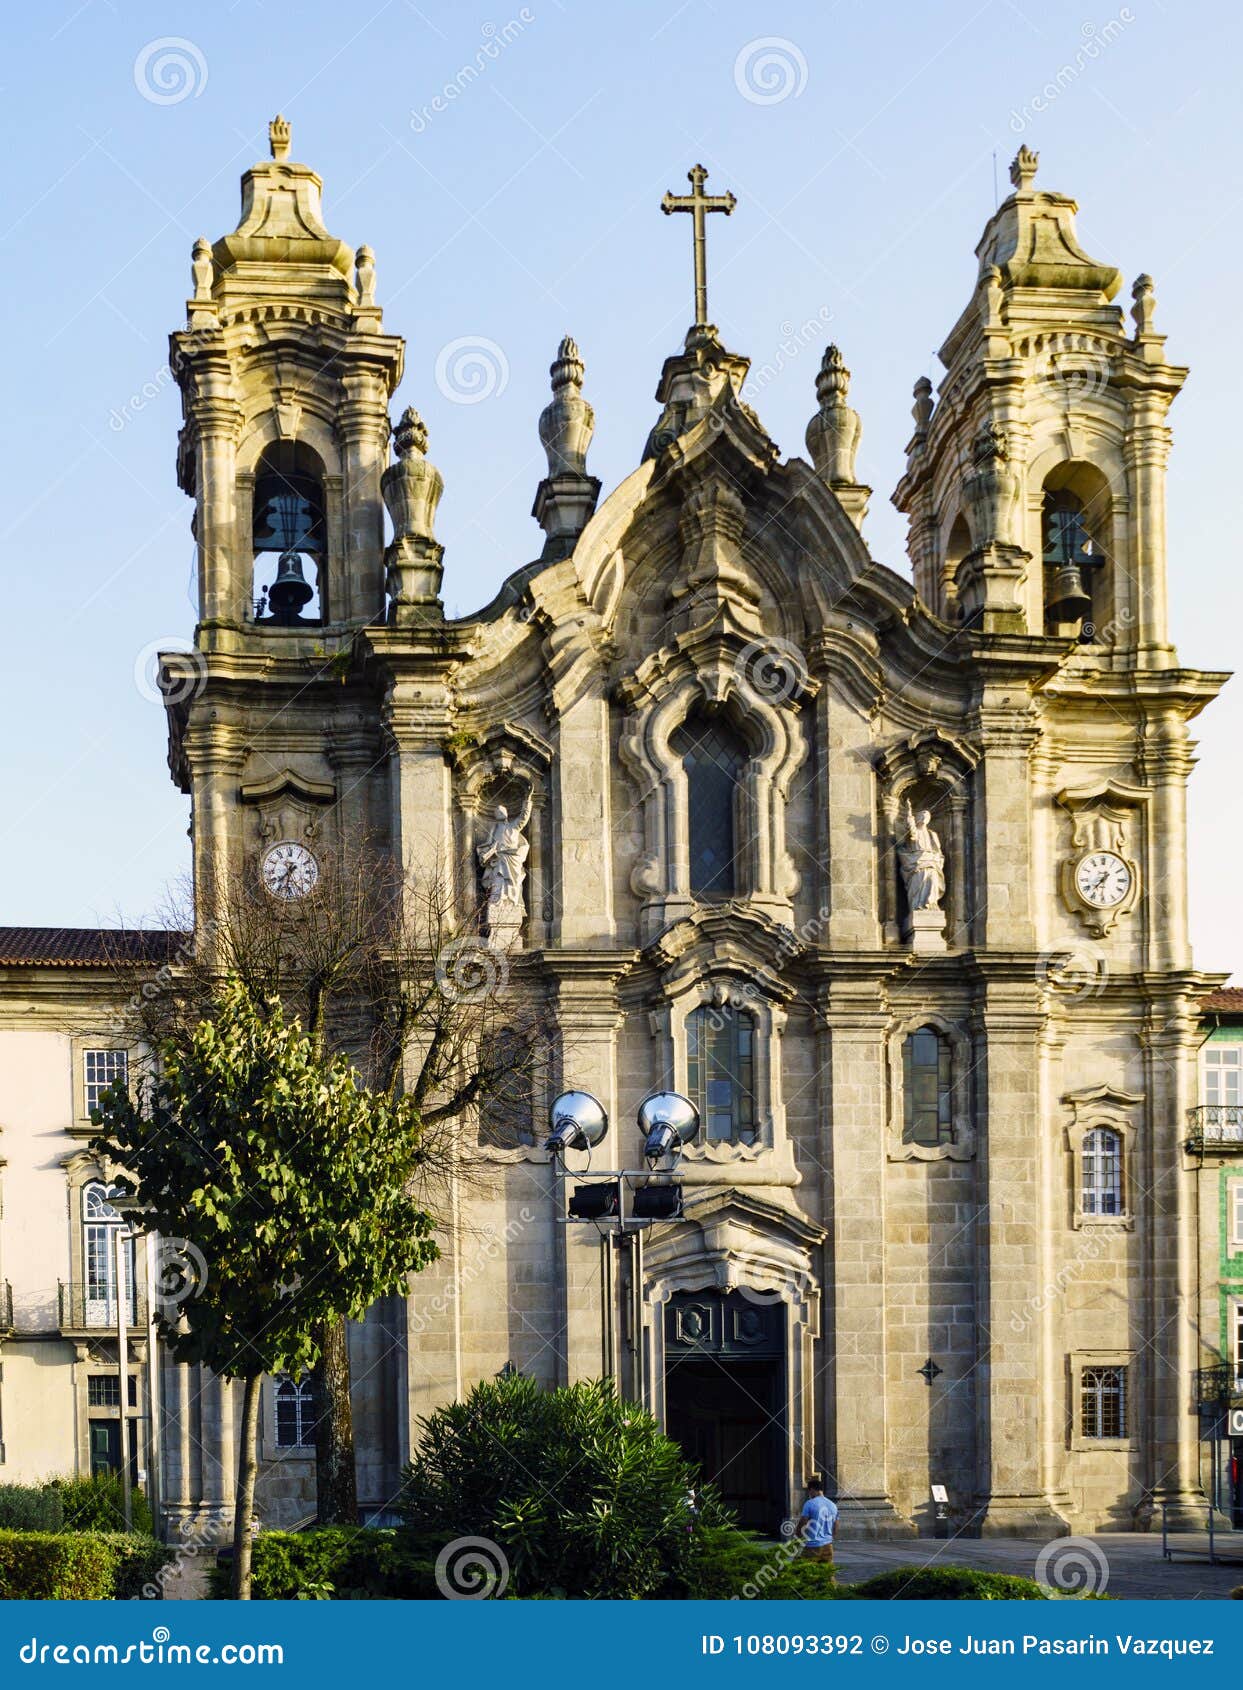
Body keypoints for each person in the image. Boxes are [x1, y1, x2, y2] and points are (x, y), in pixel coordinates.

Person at [799, 1476, 838, 1563]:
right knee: (827, 1573)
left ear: (812, 1490)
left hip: (812, 1546)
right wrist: (830, 1539)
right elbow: (836, 1526)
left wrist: (798, 1537)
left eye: (809, 1491)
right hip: (828, 1546)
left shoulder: (809, 1503)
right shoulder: (833, 1505)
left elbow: (803, 1523)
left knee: (799, 1570)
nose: (809, 1494)